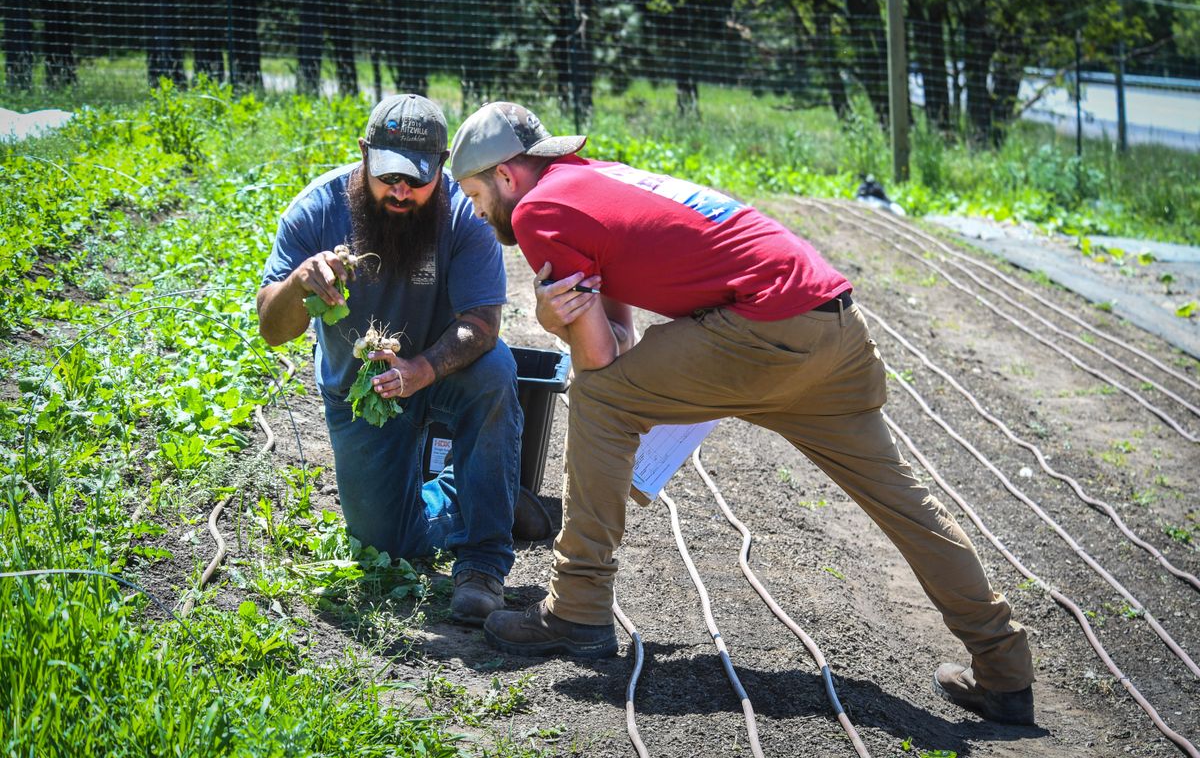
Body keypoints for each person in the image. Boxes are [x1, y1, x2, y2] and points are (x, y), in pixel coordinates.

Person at [446, 101, 1037, 725]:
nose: (480, 215)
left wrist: (547, 318)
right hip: (834, 328)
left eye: (474, 194)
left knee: (600, 399)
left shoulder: (540, 210)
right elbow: (616, 335)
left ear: (507, 177)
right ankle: (1003, 669)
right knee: (901, 500)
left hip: (764, 330)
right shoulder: (597, 180)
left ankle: (577, 607)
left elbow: (598, 363)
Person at [257, 94, 551, 626]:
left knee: (495, 369)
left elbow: (482, 324)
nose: (400, 190)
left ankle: (482, 563)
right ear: (364, 153)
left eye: (417, 179)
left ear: (441, 167)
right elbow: (272, 331)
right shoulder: (316, 211)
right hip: (362, 393)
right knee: (385, 543)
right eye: (388, 174)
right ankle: (481, 499)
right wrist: (300, 282)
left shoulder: (465, 214)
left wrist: (423, 370)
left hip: (445, 372)